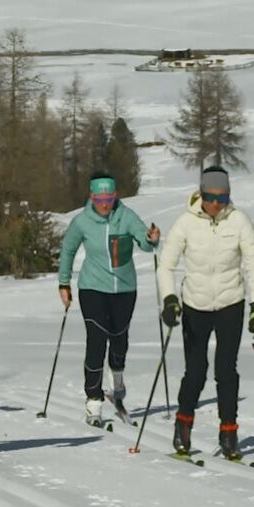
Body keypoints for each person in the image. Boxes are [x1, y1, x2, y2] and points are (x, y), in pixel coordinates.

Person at [156, 166, 254, 461]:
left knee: (226, 370)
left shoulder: (239, 221)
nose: (216, 204)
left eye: (223, 197)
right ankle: (183, 427)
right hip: (195, 305)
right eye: (210, 197)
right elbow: (165, 265)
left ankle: (229, 433)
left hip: (231, 302)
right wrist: (169, 300)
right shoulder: (185, 223)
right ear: (201, 194)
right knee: (196, 371)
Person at [56, 172, 160, 426]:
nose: (105, 203)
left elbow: (145, 245)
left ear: (115, 196)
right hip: (92, 288)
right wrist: (64, 282)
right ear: (92, 197)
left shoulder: (126, 216)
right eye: (100, 198)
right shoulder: (82, 222)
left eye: (109, 197)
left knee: (119, 338)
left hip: (125, 289)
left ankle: (117, 380)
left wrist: (151, 239)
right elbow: (68, 250)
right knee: (96, 340)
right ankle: (93, 400)